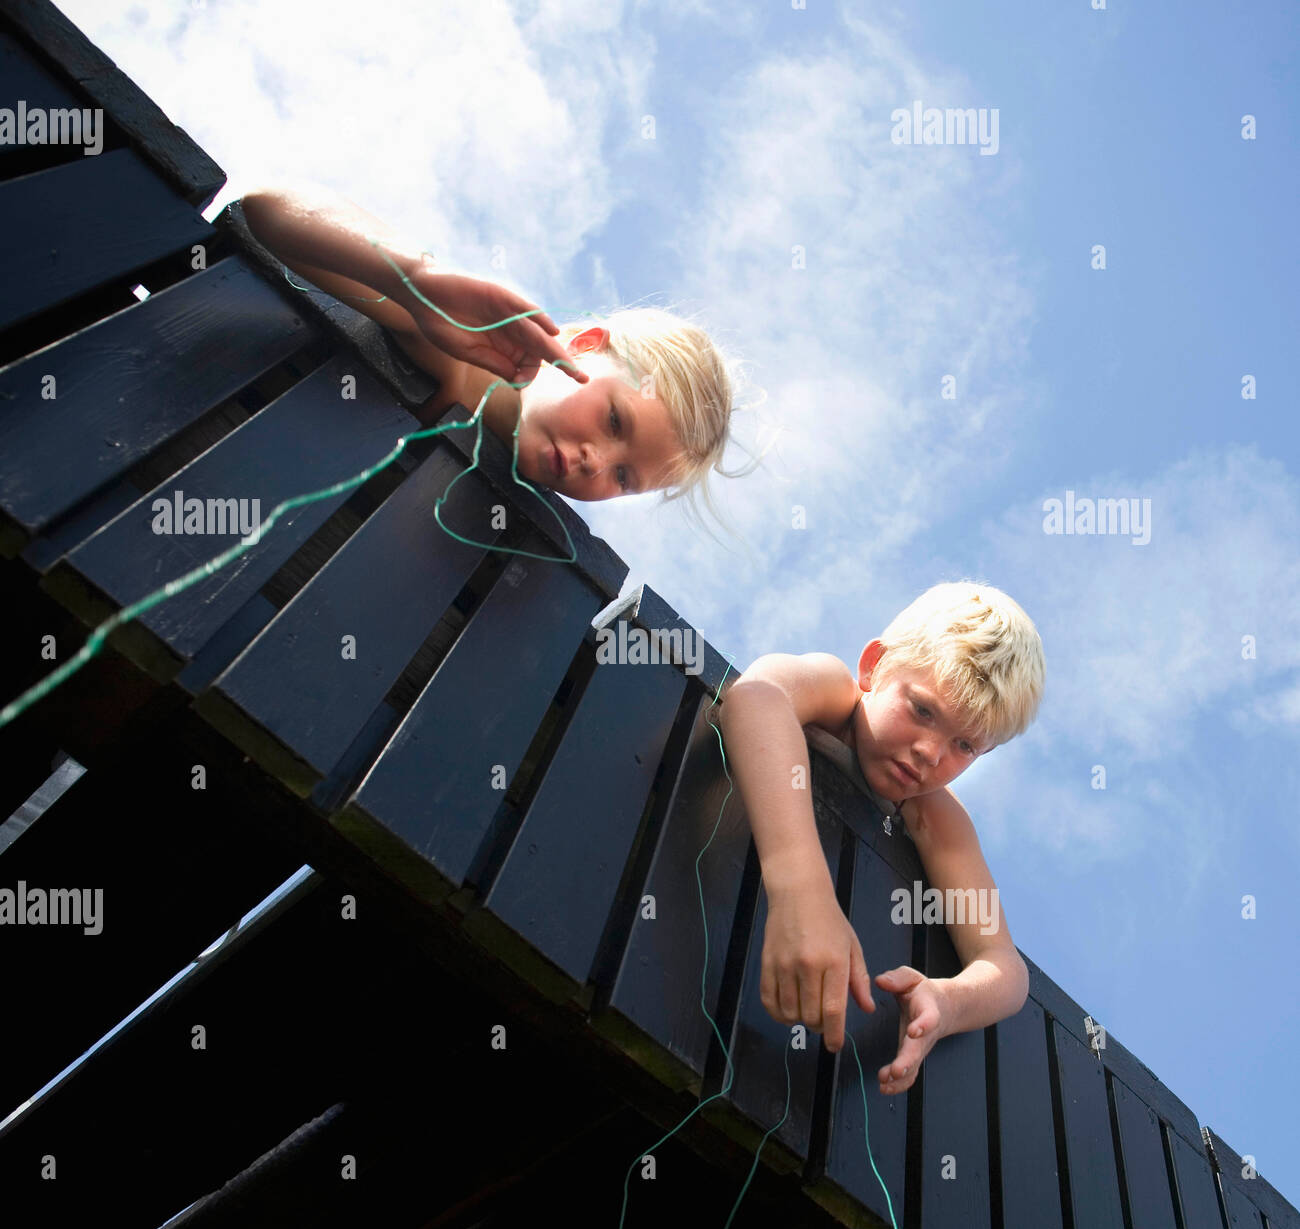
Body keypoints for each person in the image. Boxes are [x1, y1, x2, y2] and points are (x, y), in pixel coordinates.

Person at [716, 581, 1046, 1094]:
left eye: (964, 745)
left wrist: (950, 1001)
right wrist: (803, 891)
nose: (931, 754)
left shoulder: (935, 814)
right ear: (873, 667)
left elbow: (1004, 966)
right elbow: (756, 698)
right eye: (922, 710)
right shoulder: (835, 691)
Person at [237, 184, 750, 512]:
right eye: (616, 421)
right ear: (582, 344)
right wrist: (416, 279)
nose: (598, 463)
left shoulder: (528, 538)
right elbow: (268, 207)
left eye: (624, 477)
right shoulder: (459, 357)